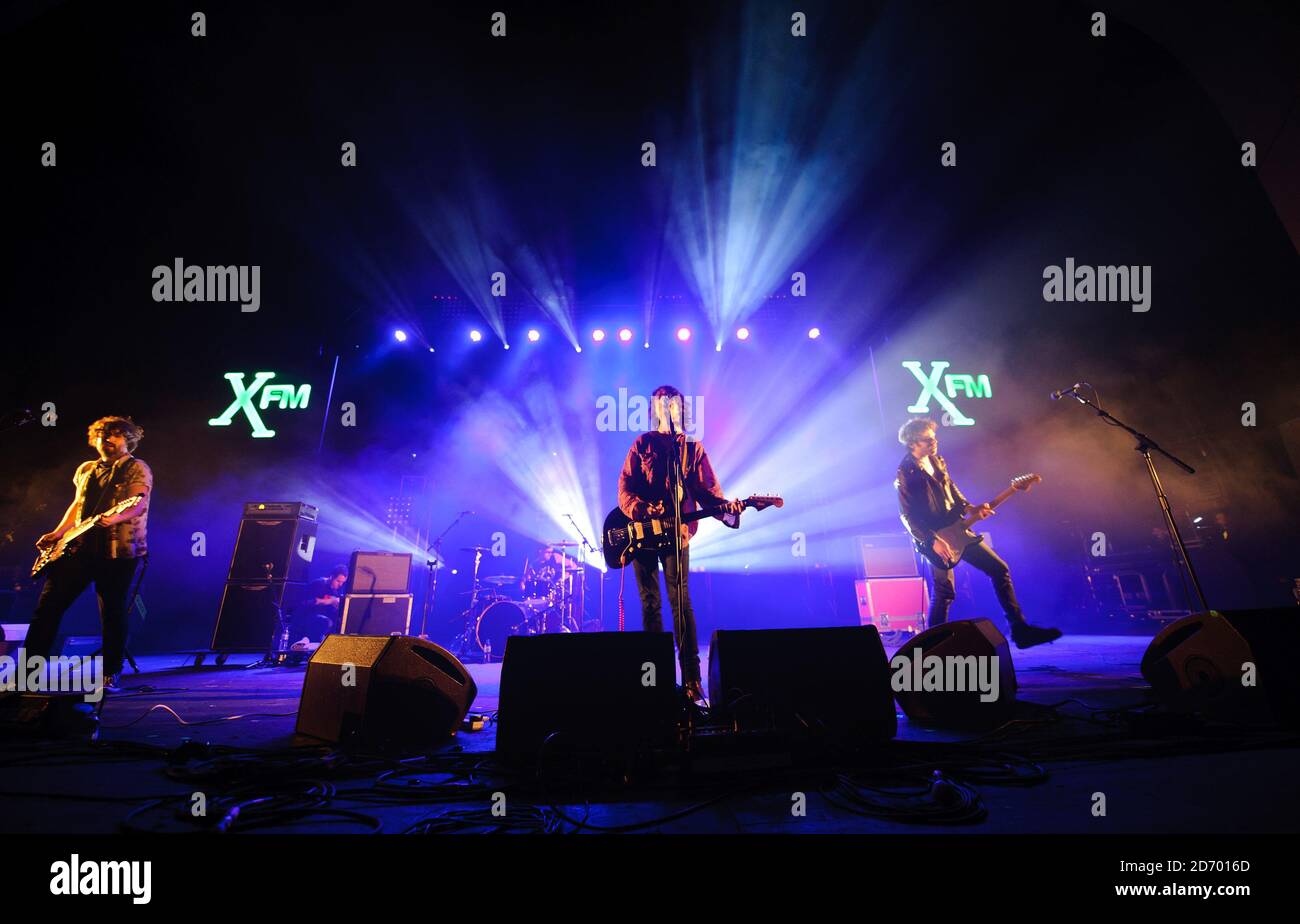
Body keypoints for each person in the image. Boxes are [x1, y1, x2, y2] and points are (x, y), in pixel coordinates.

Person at [617, 385, 744, 702]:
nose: (667, 406)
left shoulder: (691, 447)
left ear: (680, 409)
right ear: (654, 409)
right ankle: (655, 679)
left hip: (677, 533)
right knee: (650, 604)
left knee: (681, 602)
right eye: (661, 402)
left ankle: (691, 680)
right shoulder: (642, 443)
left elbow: (708, 492)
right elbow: (625, 488)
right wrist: (641, 510)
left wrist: (727, 508)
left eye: (672, 402)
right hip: (643, 535)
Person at [895, 417, 1061, 649]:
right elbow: (907, 515)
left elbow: (952, 490)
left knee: (999, 569)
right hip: (936, 537)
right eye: (927, 440)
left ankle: (1020, 630)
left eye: (934, 438)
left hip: (959, 528)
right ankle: (932, 647)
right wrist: (931, 540)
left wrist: (971, 508)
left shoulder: (937, 460)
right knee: (945, 592)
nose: (934, 442)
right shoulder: (906, 471)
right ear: (912, 443)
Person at [29, 416, 152, 692]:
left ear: (128, 439)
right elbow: (78, 504)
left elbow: (138, 505)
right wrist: (58, 533)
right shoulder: (85, 469)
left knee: (112, 612)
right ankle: (28, 673)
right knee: (47, 609)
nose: (108, 439)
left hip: (118, 551)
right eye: (103, 434)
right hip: (78, 549)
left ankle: (111, 673)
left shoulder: (137, 467)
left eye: (116, 435)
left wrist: (116, 517)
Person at [292, 565, 348, 642]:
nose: (340, 585)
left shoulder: (338, 590)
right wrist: (330, 601)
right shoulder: (319, 584)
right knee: (325, 622)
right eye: (338, 581)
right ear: (331, 577)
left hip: (325, 620)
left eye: (342, 582)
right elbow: (308, 602)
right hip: (308, 617)